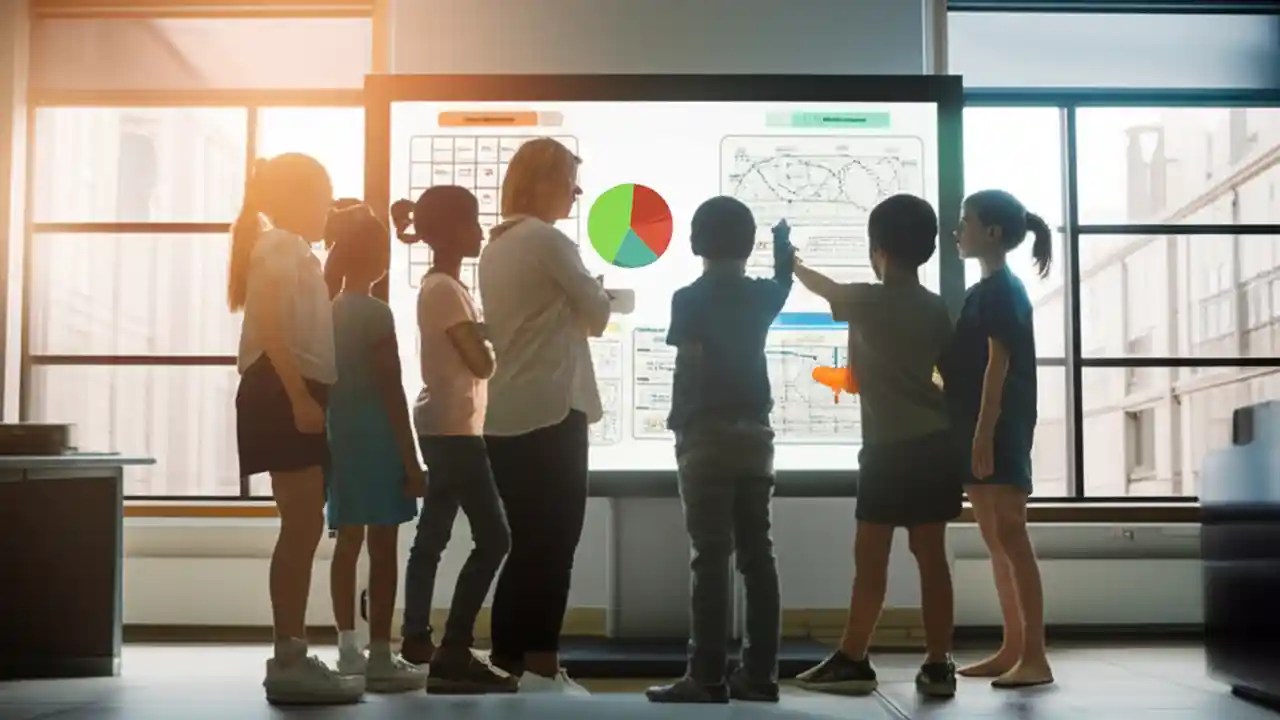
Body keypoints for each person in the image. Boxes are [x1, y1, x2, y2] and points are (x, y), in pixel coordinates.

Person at [791, 194, 961, 699]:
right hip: (933, 445)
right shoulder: (934, 307)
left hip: (887, 451)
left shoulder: (868, 299)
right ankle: (938, 666)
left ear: (878, 250)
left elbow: (825, 288)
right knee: (931, 556)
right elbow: (950, 375)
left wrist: (792, 263)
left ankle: (853, 657)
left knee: (870, 557)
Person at [644, 198, 792, 705]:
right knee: (758, 555)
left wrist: (680, 425)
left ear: (695, 242)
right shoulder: (763, 297)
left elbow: (690, 366)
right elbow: (784, 279)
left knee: (710, 557)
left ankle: (706, 676)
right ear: (748, 244)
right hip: (756, 435)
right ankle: (761, 674)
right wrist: (781, 242)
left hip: (706, 435)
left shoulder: (689, 299)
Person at [478, 137, 611, 696]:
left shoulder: (497, 245)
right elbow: (598, 316)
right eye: (569, 181)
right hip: (554, 410)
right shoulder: (548, 240)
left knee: (527, 544)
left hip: (505, 414)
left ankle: (509, 660)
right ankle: (542, 666)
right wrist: (593, 295)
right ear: (538, 183)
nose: (577, 193)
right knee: (556, 544)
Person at [229, 153, 363, 705]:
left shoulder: (292, 248)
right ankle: (288, 656)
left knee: (304, 526)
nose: (327, 210)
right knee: (302, 526)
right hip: (282, 390)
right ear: (296, 200)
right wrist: (300, 398)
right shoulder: (280, 245)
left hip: (290, 389)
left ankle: (292, 653)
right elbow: (271, 327)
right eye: (322, 198)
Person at [390, 188, 516, 694]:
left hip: (445, 424)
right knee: (495, 539)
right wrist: (496, 336)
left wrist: (486, 331)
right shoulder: (445, 289)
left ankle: (417, 638)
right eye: (472, 222)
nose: (481, 232)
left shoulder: (444, 286)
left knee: (433, 537)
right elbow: (481, 363)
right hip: (456, 429)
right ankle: (455, 649)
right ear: (449, 231)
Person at [943, 189, 1054, 689]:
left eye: (964, 221)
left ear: (990, 232)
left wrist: (984, 434)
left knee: (1011, 532)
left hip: (999, 428)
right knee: (994, 537)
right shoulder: (983, 291)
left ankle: (1035, 656)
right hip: (975, 427)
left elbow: (998, 366)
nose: (957, 230)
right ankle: (1013, 647)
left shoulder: (1004, 291)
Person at [320, 201, 428, 693]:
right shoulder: (377, 314)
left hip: (338, 436)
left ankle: (347, 648)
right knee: (384, 549)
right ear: (379, 258)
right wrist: (411, 459)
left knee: (346, 545)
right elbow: (391, 390)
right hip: (378, 438)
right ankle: (382, 653)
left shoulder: (326, 312)